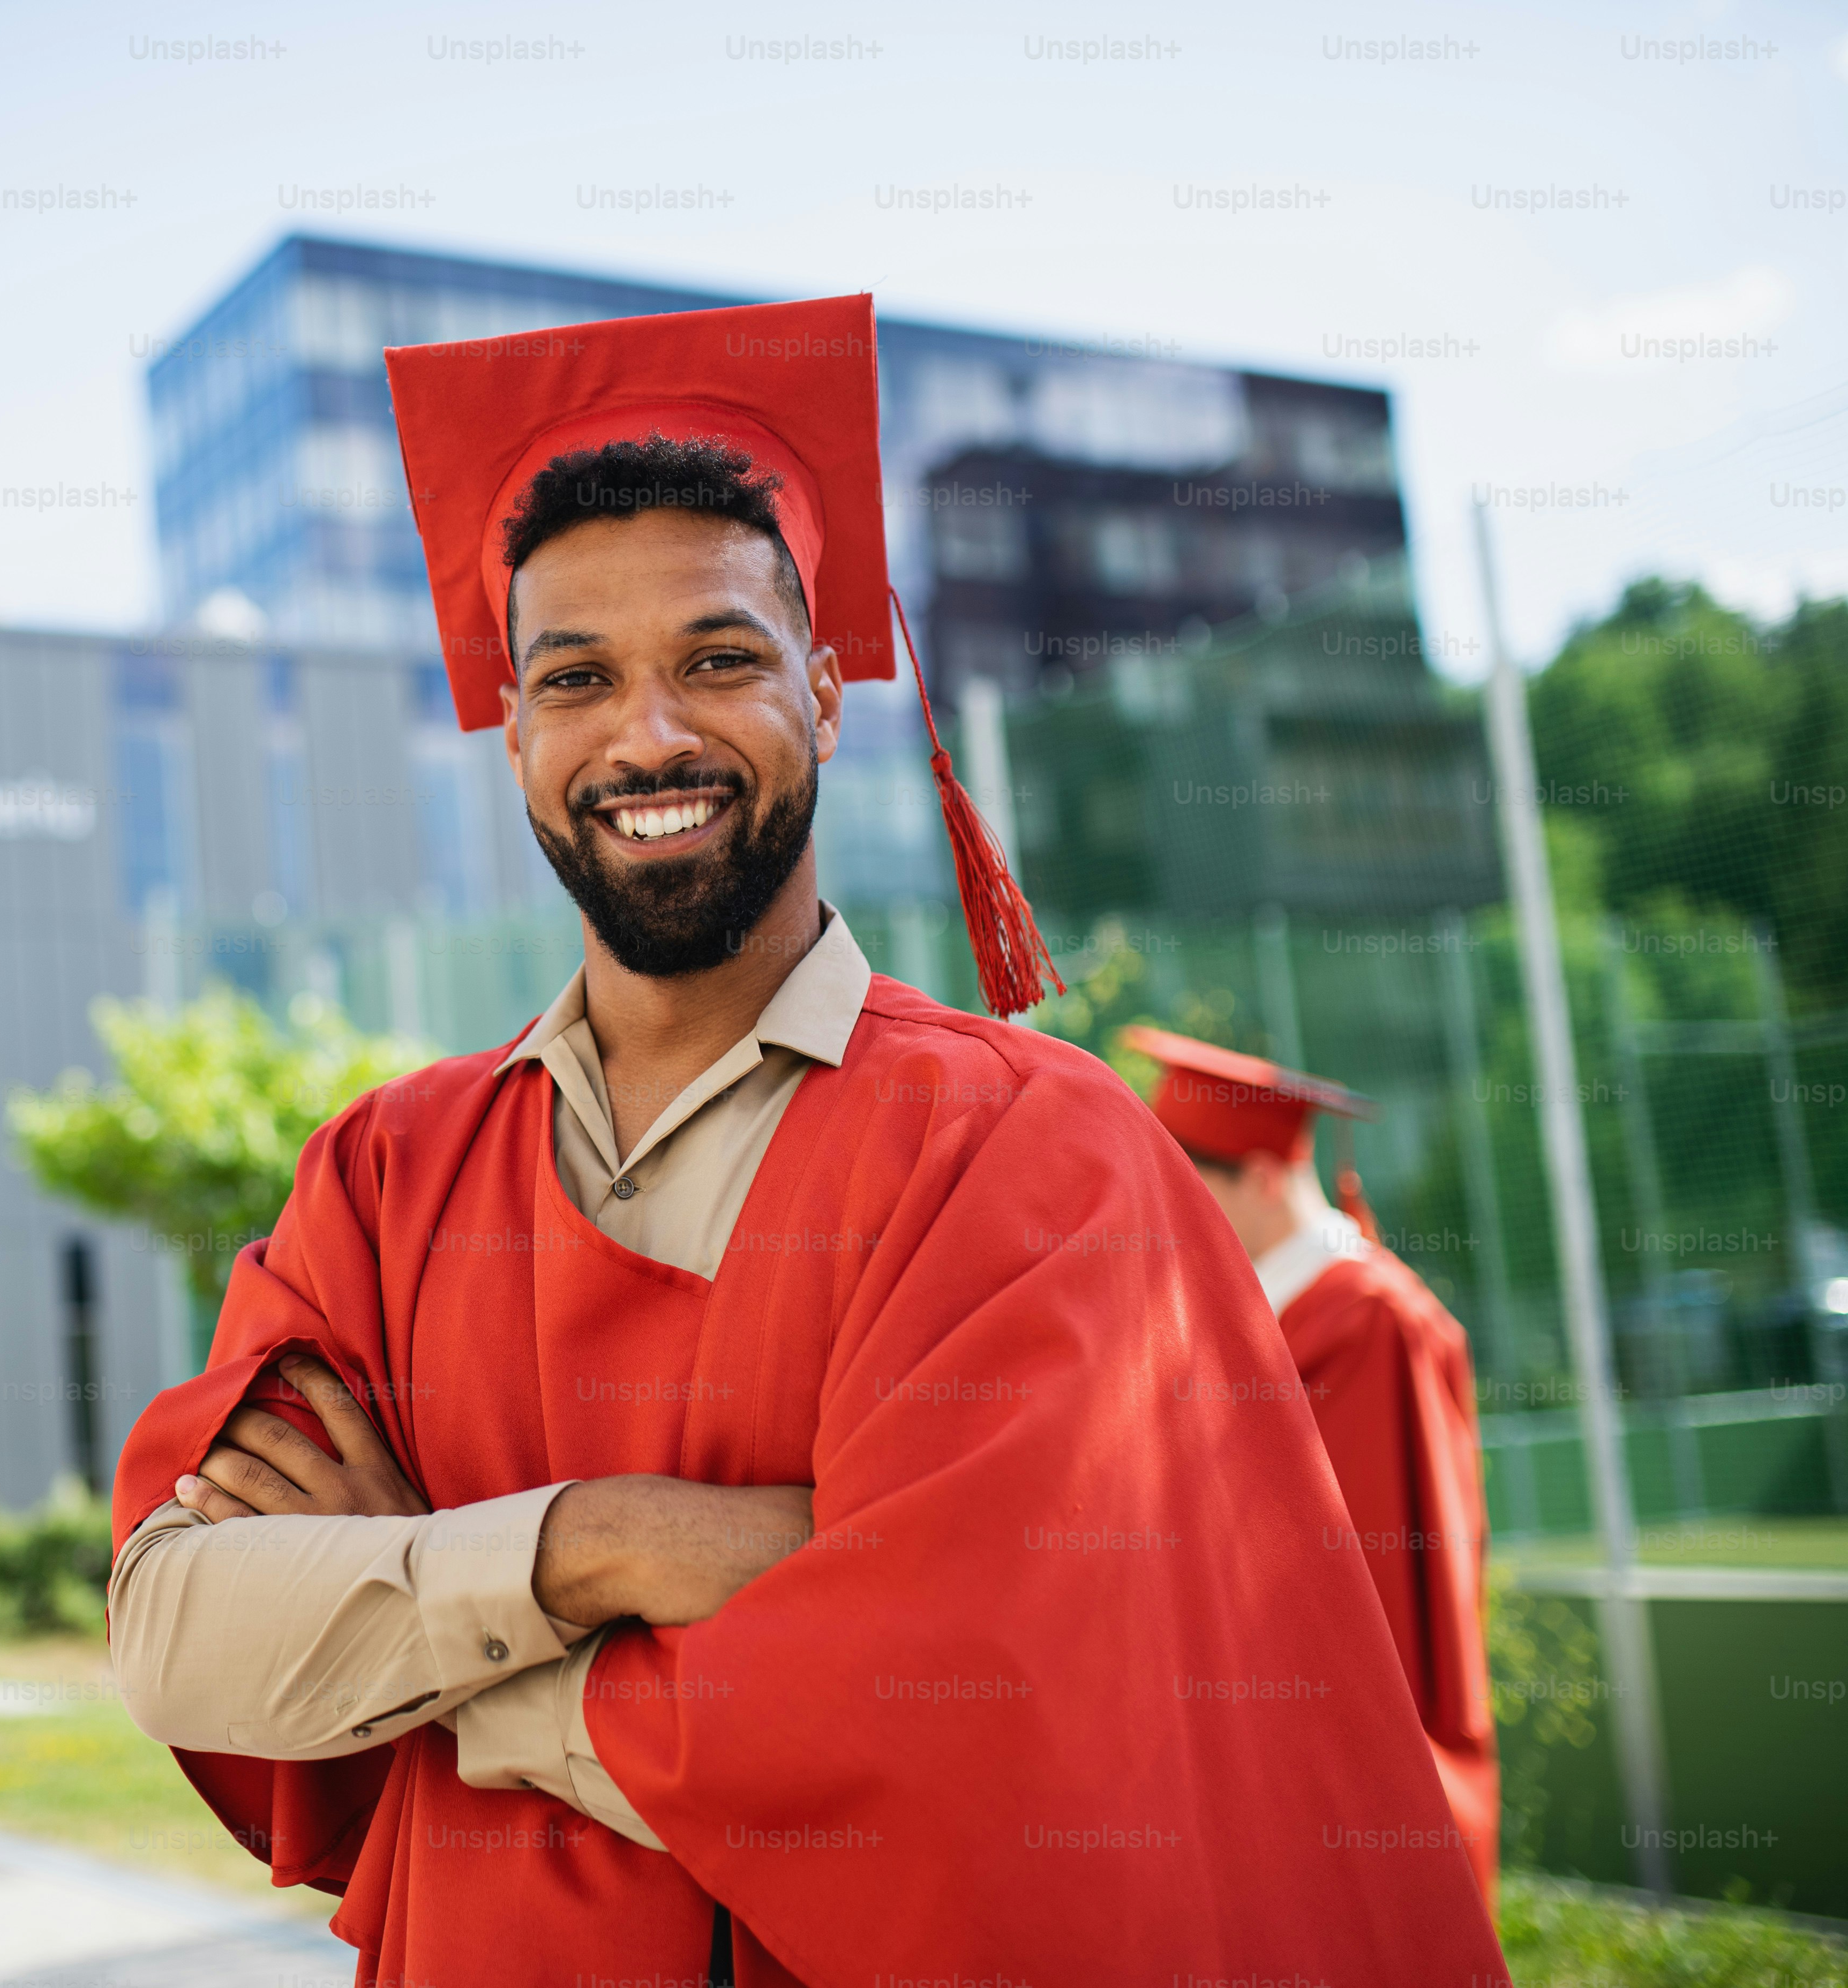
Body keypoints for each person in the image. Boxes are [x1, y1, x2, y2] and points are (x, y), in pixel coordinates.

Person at [104, 296, 1509, 1986]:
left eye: (719, 661)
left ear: (828, 695)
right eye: (577, 680)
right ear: (515, 730)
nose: (650, 738)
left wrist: (434, 1627)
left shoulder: (1029, 1151)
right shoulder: (384, 1177)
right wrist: (605, 1542)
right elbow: (180, 1635)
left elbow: (983, 1721)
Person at [1124, 1023, 1499, 1902]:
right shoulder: (1257, 1315)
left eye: (1191, 1191)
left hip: (1342, 1759)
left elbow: (1381, 1594)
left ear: (1260, 1179)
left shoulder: (1371, 1324)